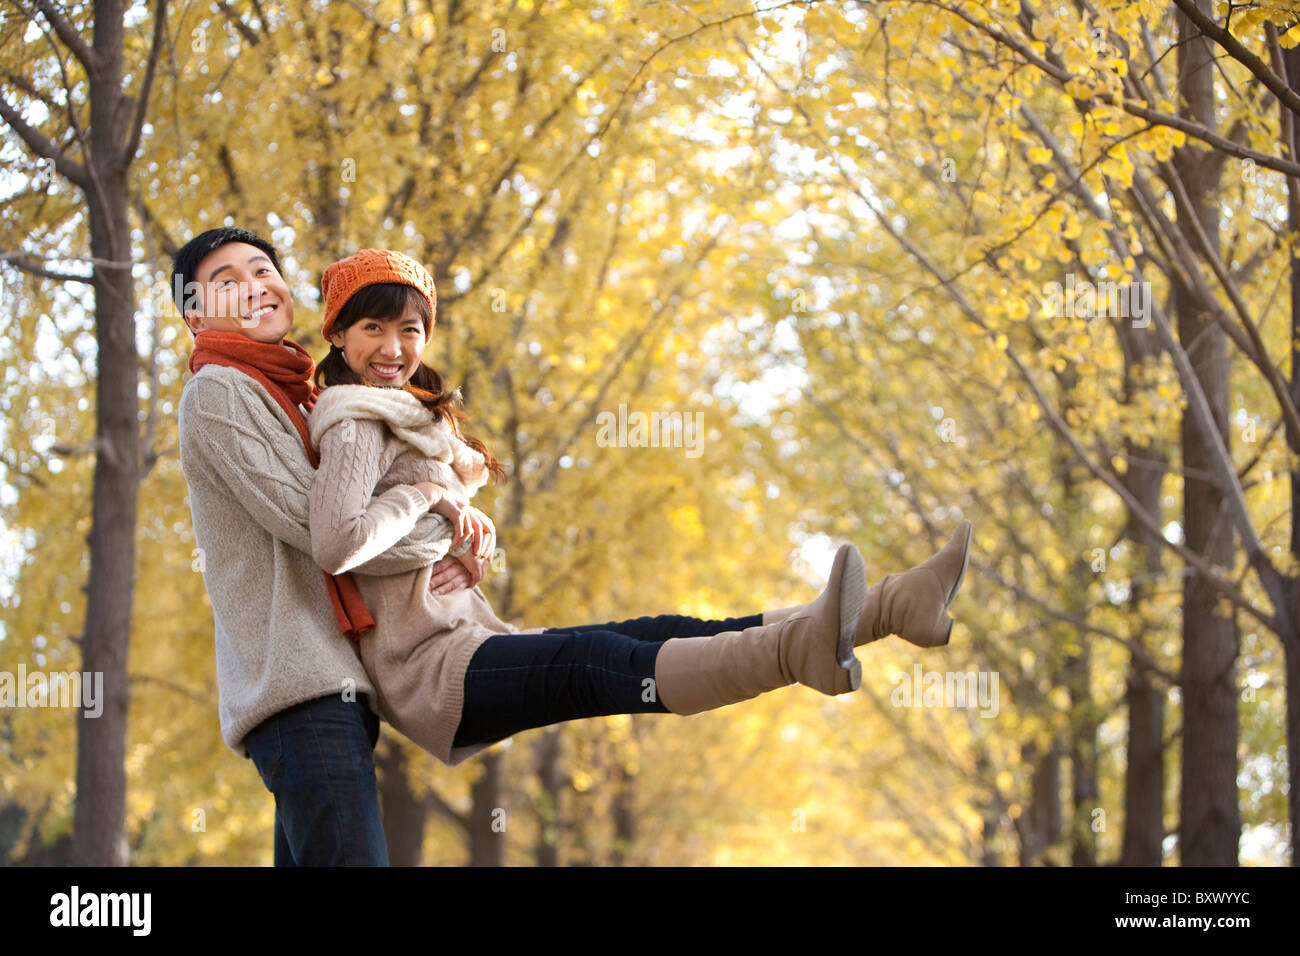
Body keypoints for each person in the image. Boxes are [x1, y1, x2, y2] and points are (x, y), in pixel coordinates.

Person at [306, 249, 975, 771]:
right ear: (338, 333)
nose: (393, 347)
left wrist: (460, 532)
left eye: (410, 328)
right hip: (425, 668)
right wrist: (434, 499)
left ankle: (891, 607)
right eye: (373, 328)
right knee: (594, 663)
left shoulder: (407, 419)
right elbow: (337, 541)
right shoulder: (356, 419)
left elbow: (409, 530)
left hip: (469, 640)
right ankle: (803, 654)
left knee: (663, 627)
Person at [173, 228, 470, 867]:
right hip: (300, 692)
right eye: (227, 282)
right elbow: (326, 532)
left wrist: (461, 517)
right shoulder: (219, 391)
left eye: (263, 269)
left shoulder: (304, 394)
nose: (255, 285)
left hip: (330, 686)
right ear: (195, 314)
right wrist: (443, 530)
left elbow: (381, 496)